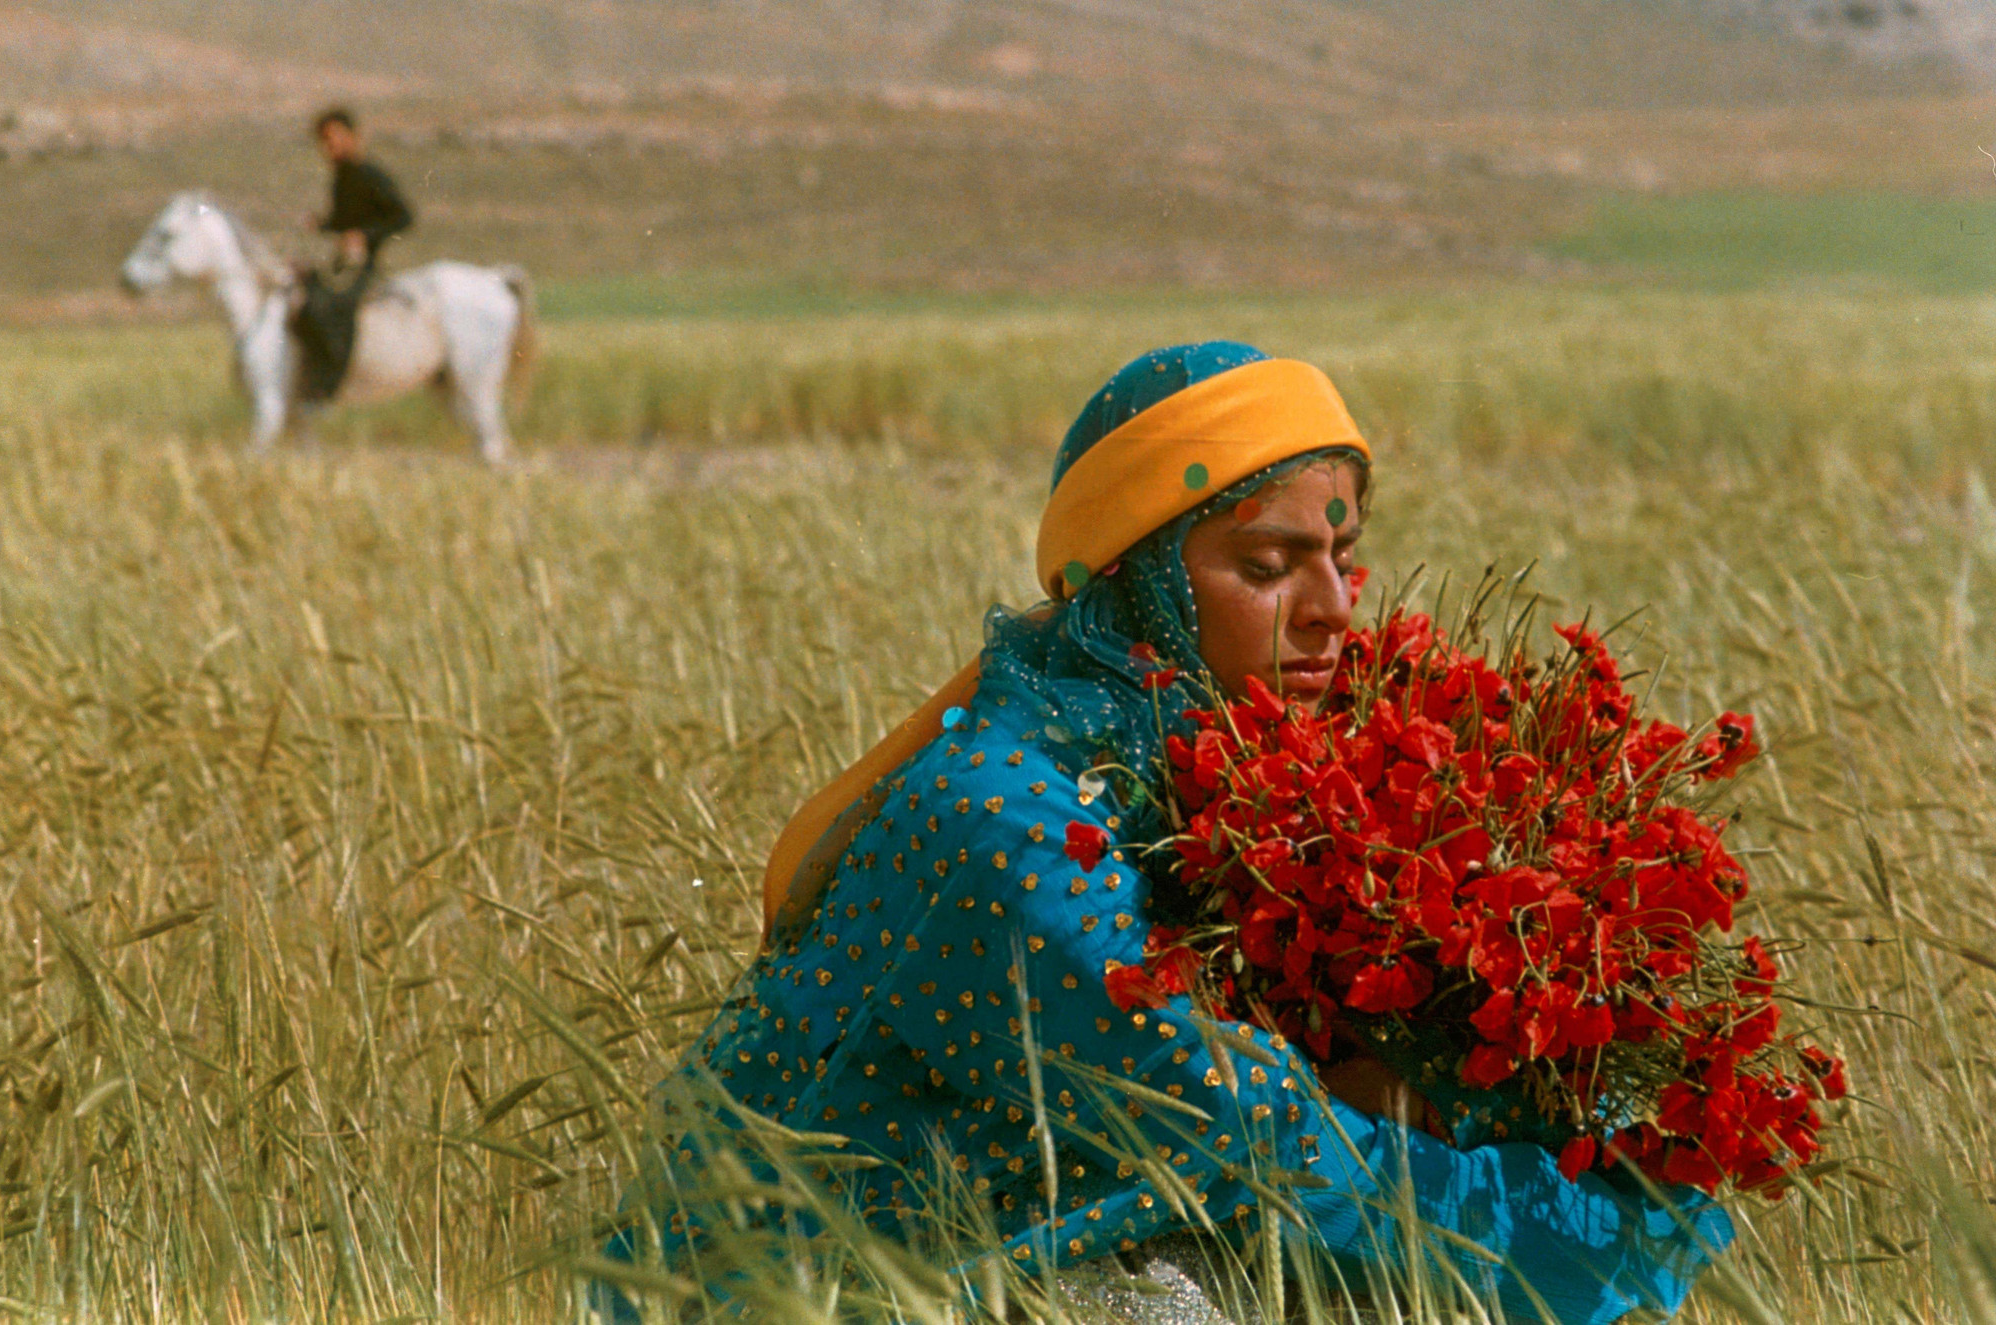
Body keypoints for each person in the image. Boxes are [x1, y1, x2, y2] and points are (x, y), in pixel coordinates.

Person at [605, 343, 1732, 1324]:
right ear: (1139, 580)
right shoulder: (1005, 816)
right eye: (1263, 567)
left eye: (1340, 559)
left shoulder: (1232, 780)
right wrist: (1581, 1226)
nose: (1334, 608)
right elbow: (1239, 1139)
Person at [289, 107, 414, 403]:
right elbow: (345, 221)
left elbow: (404, 216)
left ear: (351, 136)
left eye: (332, 138)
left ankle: (331, 383)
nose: (327, 147)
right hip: (342, 264)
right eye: (323, 140)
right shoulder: (342, 176)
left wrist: (365, 236)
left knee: (325, 306)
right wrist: (322, 223)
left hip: (365, 265)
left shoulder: (370, 175)